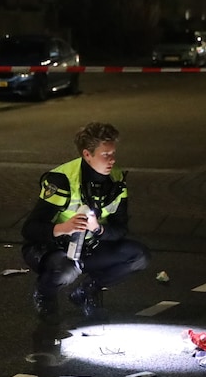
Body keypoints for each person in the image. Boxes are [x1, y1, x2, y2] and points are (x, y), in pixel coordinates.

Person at [22, 121, 150, 322]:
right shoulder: (61, 180)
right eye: (105, 155)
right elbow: (29, 230)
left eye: (113, 153)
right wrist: (63, 228)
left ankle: (86, 291)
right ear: (87, 155)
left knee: (139, 256)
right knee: (67, 270)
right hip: (52, 249)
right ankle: (44, 294)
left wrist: (98, 229)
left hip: (89, 246)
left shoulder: (116, 180)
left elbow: (120, 228)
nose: (112, 160)